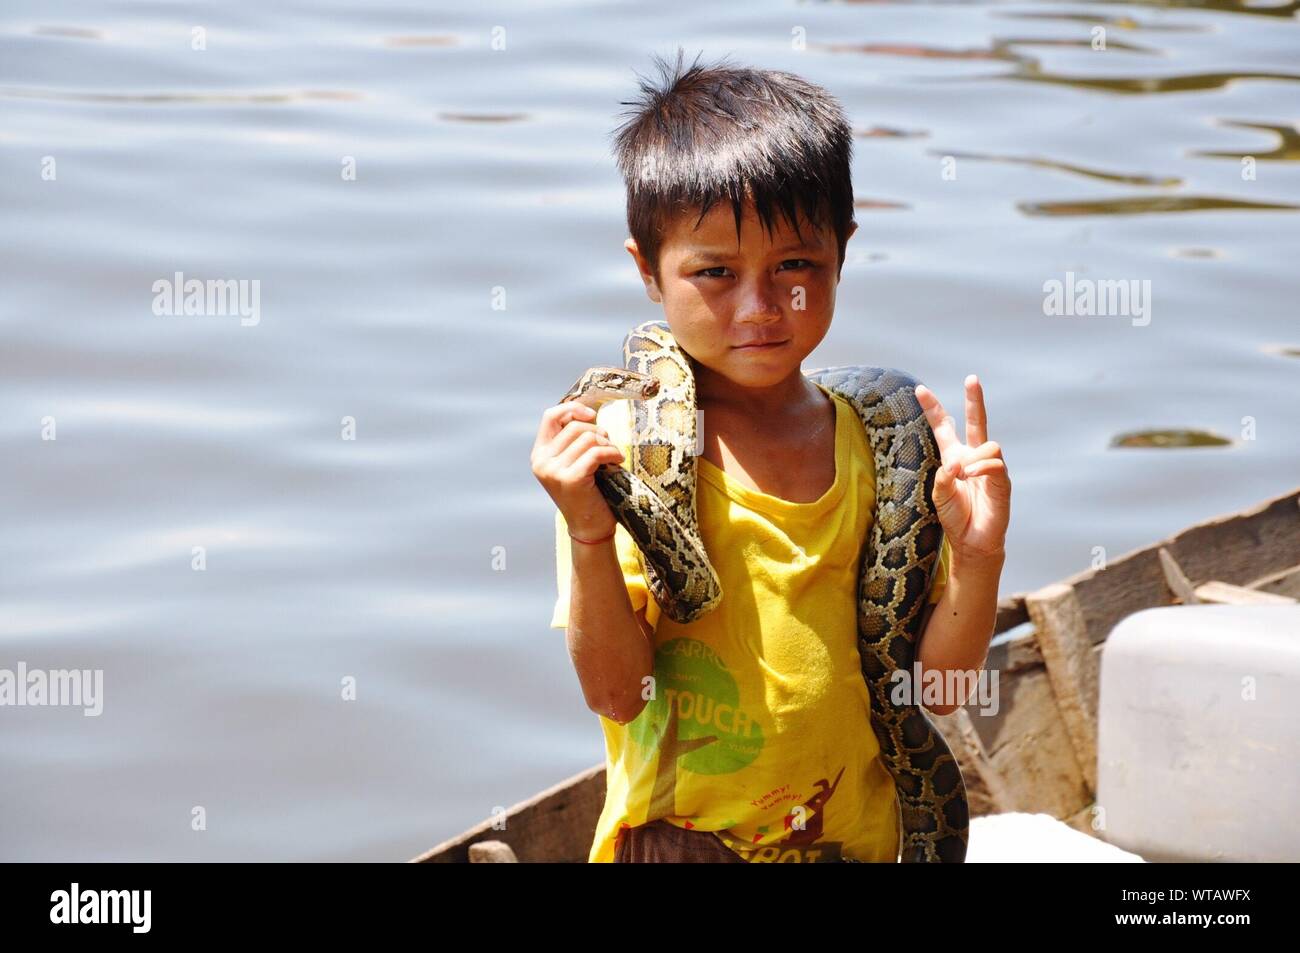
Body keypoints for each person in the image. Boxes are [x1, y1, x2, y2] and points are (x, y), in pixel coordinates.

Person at [530, 49, 1011, 863]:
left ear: (841, 252)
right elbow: (617, 693)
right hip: (686, 845)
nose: (759, 308)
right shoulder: (619, 456)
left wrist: (977, 554)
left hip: (852, 841)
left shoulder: (884, 440)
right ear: (648, 270)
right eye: (714, 272)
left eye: (795, 267)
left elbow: (938, 689)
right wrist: (585, 531)